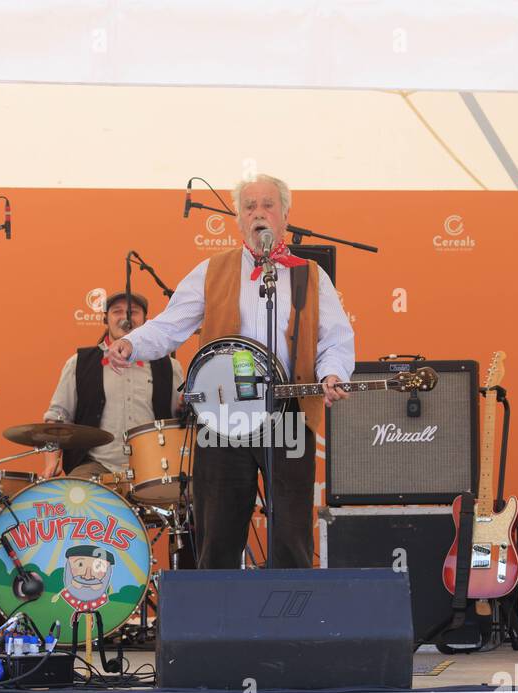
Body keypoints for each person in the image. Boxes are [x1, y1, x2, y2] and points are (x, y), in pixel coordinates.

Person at [108, 174, 355, 569]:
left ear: (285, 215)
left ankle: (289, 620)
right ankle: (217, 623)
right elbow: (171, 324)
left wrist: (331, 373)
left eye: (268, 205)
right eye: (250, 207)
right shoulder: (213, 270)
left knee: (290, 532)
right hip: (222, 413)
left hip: (287, 411)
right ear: (239, 220)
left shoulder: (309, 274)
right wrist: (132, 343)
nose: (259, 213)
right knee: (217, 530)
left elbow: (336, 338)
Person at [41, 290, 183, 480]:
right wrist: (51, 462)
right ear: (105, 319)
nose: (125, 317)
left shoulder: (169, 366)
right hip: (95, 466)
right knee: (74, 495)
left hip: (156, 466)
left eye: (133, 312)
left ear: (145, 321)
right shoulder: (78, 363)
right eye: (117, 311)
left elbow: (181, 421)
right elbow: (57, 418)